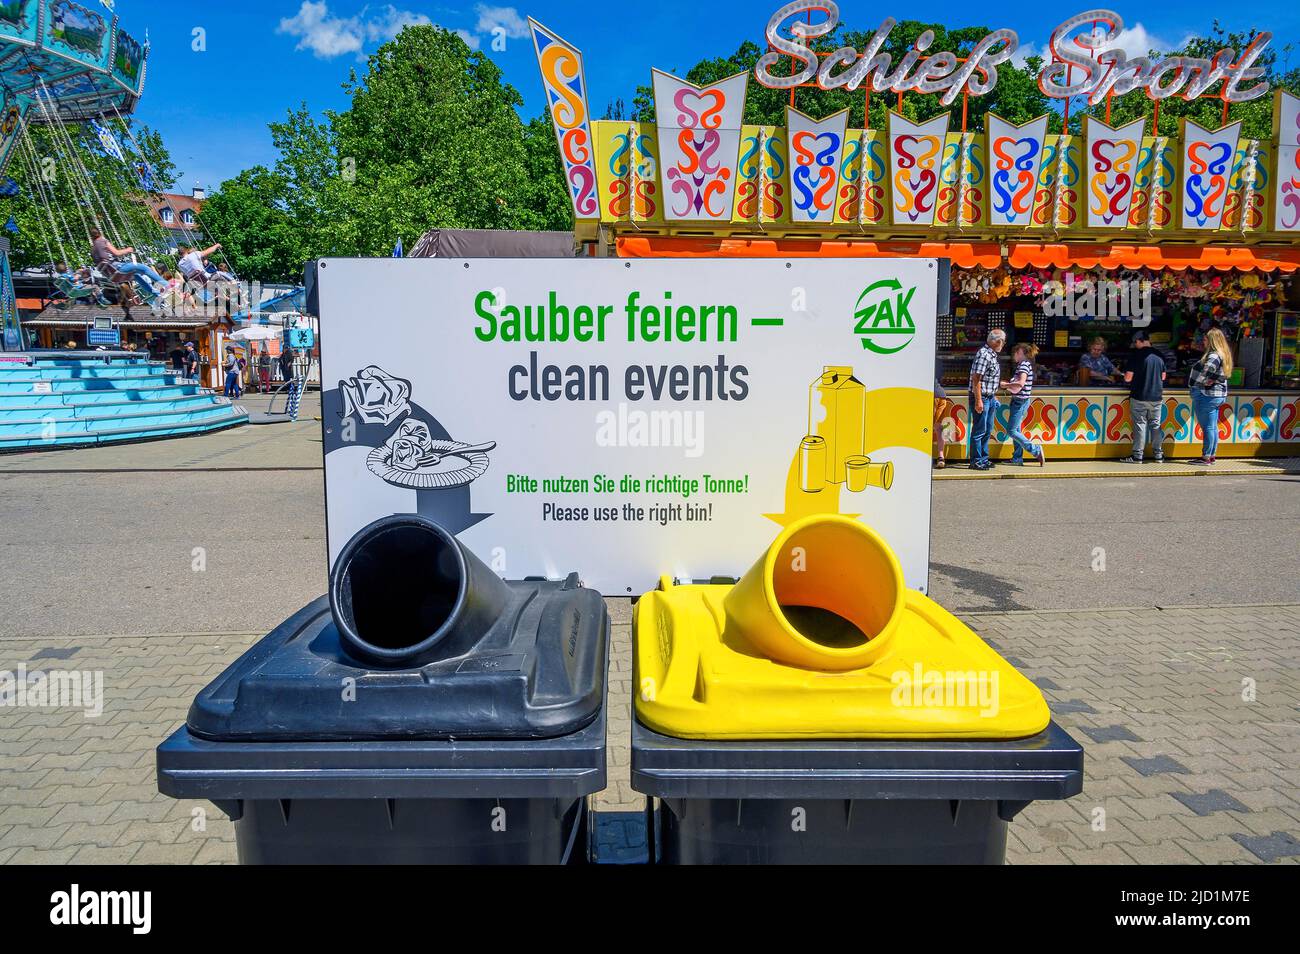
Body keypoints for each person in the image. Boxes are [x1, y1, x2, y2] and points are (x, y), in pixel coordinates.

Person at [1187, 327, 1233, 465]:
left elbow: (1207, 372)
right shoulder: (1222, 354)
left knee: (1207, 427)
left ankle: (1206, 456)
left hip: (1206, 395)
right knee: (1212, 426)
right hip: (1215, 395)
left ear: (1212, 341)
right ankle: (1211, 455)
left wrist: (1204, 383)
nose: (1204, 341)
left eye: (1206, 338)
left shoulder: (1213, 355)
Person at [1120, 329, 1167, 463]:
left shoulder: (1136, 355)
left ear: (1139, 341)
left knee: (1140, 425)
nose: (1135, 345)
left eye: (1135, 343)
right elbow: (1163, 377)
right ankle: (1158, 455)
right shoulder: (1159, 355)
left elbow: (1128, 378)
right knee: (1155, 425)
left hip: (1139, 396)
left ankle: (1137, 456)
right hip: (1156, 397)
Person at [1002, 343, 1046, 466]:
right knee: (1017, 430)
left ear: (1022, 354)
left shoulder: (1024, 366)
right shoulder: (1024, 365)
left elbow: (1020, 383)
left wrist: (1005, 385)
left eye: (1016, 352)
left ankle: (1035, 450)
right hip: (1020, 401)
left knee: (1011, 431)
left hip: (1019, 402)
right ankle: (1017, 458)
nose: (1014, 355)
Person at [967, 328, 1005, 470]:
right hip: (982, 397)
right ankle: (976, 461)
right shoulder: (984, 354)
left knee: (987, 429)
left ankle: (983, 459)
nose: (1003, 344)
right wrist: (978, 400)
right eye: (1003, 341)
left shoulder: (991, 354)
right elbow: (976, 379)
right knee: (979, 430)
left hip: (989, 397)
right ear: (998, 341)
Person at [88, 228, 165, 298]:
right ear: (99, 233)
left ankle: (157, 295)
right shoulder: (103, 240)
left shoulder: (92, 249)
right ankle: (167, 285)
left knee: (136, 275)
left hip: (111, 277)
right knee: (144, 268)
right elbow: (117, 253)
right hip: (117, 269)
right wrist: (128, 250)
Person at [933, 378, 950, 469]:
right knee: (939, 428)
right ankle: (941, 457)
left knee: (925, 427)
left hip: (931, 395)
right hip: (942, 394)